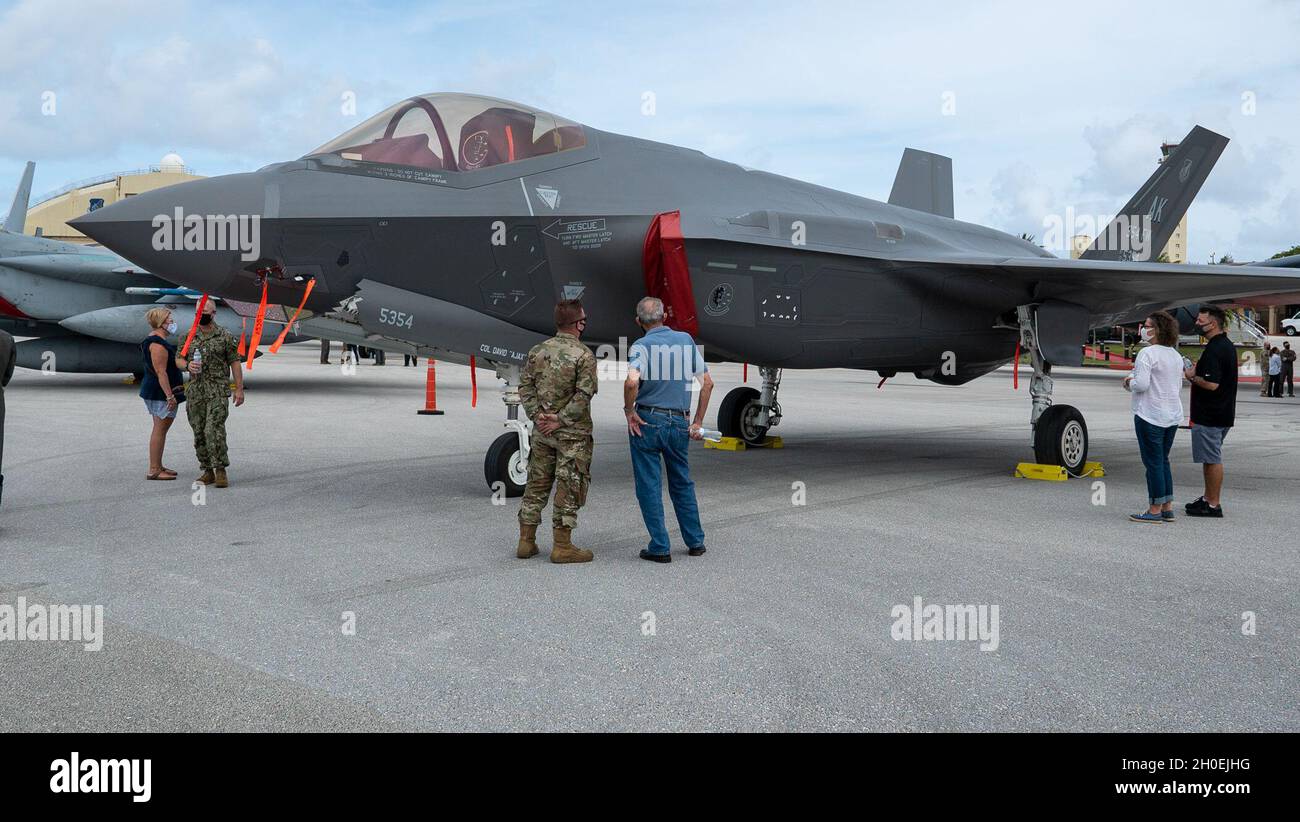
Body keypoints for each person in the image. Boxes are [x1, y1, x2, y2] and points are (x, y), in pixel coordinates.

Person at [623, 296, 715, 563]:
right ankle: (695, 541)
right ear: (665, 317)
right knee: (682, 483)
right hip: (679, 421)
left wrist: (629, 412)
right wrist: (696, 421)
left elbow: (631, 383)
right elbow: (707, 384)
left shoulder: (641, 346)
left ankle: (660, 546)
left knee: (649, 485)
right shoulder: (685, 340)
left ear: (638, 321)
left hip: (648, 421)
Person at [515, 298, 597, 563]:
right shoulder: (584, 355)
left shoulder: (537, 351)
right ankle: (562, 546)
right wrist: (559, 420)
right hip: (571, 435)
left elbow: (525, 387)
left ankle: (526, 542)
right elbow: (584, 395)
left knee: (537, 483)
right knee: (569, 485)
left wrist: (538, 417)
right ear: (579, 323)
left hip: (542, 433)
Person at [1123, 312, 1184, 523]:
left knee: (1153, 463)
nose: (1143, 329)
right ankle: (1167, 506)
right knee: (1163, 460)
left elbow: (1141, 384)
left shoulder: (1147, 354)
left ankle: (1155, 509)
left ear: (1156, 330)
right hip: (1172, 415)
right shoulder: (1175, 355)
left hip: (1150, 414)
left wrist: (1128, 382)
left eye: (1147, 325)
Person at [179, 301, 245, 488]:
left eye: (205, 312)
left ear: (214, 313)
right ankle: (207, 470)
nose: (201, 314)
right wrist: (186, 365)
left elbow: (235, 362)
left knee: (213, 429)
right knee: (199, 431)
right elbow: (178, 358)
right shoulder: (188, 336)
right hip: (195, 392)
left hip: (217, 390)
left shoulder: (224, 336)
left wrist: (238, 388)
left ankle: (220, 469)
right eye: (199, 311)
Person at [1183, 305, 1237, 518]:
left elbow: (1212, 384)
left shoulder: (1216, 348)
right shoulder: (1225, 345)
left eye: (1200, 320)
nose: (1196, 323)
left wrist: (1191, 377)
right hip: (1221, 413)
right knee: (1209, 457)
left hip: (1211, 415)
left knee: (1212, 458)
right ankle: (1207, 499)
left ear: (1212, 323)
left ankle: (1213, 504)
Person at [139, 307, 185, 481]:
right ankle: (154, 469)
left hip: (155, 391)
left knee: (160, 429)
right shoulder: (158, 344)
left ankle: (158, 464)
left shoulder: (154, 340)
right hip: (160, 393)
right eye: (169, 320)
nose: (172, 323)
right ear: (161, 323)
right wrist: (169, 396)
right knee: (160, 429)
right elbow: (161, 372)